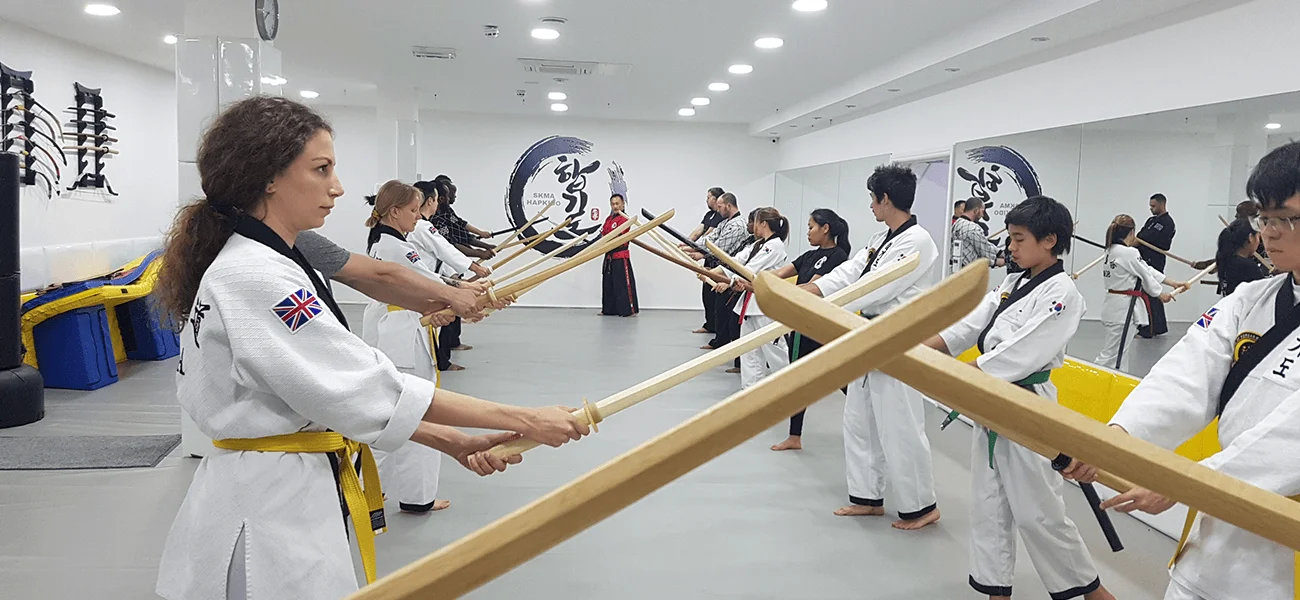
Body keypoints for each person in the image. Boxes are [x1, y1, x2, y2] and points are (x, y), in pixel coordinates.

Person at [152, 96, 588, 600]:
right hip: (266, 507)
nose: (337, 188)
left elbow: (328, 397)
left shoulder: (267, 260)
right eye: (321, 170)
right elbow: (366, 384)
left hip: (274, 488)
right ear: (268, 176)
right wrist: (526, 418)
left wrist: (456, 440)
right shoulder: (257, 275)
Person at [1064, 141, 1300, 600]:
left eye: (1286, 218)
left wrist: (1188, 482)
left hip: (1281, 540)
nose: (1269, 232)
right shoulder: (1251, 301)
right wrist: (1117, 441)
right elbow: (1183, 377)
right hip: (1216, 531)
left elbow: (1291, 436)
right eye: (1264, 218)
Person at [924, 196, 1116, 600]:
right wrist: (923, 349)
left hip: (1028, 405)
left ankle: (1094, 593)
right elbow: (970, 325)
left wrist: (965, 374)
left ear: (1050, 240)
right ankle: (997, 592)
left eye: (1018, 239)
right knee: (988, 504)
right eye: (1010, 239)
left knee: (1038, 512)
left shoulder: (1063, 293)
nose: (1010, 248)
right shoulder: (1013, 283)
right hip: (990, 403)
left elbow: (1025, 349)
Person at [798, 163, 941, 529]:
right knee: (858, 421)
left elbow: (877, 286)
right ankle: (867, 497)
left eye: (872, 199)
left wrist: (823, 303)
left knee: (900, 426)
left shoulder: (918, 241)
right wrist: (807, 291)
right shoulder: (880, 239)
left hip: (898, 341)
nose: (870, 207)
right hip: (867, 336)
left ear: (886, 198)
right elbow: (851, 272)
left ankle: (921, 506)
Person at [361, 181, 457, 514]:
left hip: (397, 330)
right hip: (403, 336)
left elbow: (427, 286)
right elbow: (428, 283)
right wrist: (467, 293)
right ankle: (417, 497)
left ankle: (373, 489)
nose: (418, 218)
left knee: (392, 413)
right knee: (418, 412)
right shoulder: (396, 249)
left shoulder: (382, 242)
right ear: (395, 211)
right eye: (414, 211)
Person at [767, 208, 851, 451]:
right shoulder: (808, 255)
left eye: (811, 226)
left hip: (824, 327)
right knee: (798, 380)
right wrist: (750, 281)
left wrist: (776, 290)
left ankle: (874, 421)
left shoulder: (838, 256)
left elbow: (812, 287)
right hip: (803, 326)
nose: (808, 232)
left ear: (826, 228)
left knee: (842, 379)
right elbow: (779, 274)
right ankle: (795, 436)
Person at [410, 180, 490, 372]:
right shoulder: (421, 226)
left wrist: (456, 279)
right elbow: (444, 249)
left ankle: (440, 361)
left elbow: (437, 255)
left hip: (429, 281)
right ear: (430, 201)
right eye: (437, 199)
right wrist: (474, 268)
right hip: (421, 287)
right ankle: (440, 362)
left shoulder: (421, 226)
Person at [1094, 215, 1188, 371]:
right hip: (1123, 309)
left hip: (1114, 306)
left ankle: (1115, 385)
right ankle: (1092, 382)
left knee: (1118, 355)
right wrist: (1159, 294)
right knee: (1112, 356)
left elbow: (1144, 268)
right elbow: (1144, 275)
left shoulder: (1112, 251)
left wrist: (1172, 283)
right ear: (1132, 232)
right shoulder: (1128, 253)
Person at [718, 207, 790, 389]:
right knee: (749, 352)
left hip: (767, 307)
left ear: (763, 223)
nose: (753, 226)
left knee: (775, 352)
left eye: (755, 222)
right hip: (751, 305)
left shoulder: (774, 246)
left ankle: (789, 388)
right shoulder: (757, 244)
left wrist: (728, 282)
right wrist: (710, 273)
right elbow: (736, 261)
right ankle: (750, 391)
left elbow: (749, 270)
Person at [692, 192, 749, 362]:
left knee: (725, 311)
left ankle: (724, 345)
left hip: (730, 272)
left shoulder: (738, 225)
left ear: (728, 206)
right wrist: (690, 247)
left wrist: (700, 255)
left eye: (720, 206)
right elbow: (709, 240)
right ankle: (720, 341)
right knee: (716, 305)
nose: (717, 210)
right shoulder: (725, 223)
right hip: (722, 270)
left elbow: (719, 247)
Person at [1137, 193, 1176, 337]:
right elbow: (1141, 235)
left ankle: (1150, 329)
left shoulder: (1167, 222)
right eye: (1150, 206)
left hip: (1154, 259)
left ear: (1162, 204)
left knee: (1151, 292)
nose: (1151, 209)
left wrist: (1141, 239)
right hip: (1143, 258)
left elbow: (1152, 238)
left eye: (1153, 206)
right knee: (1148, 292)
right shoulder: (1151, 220)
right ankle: (1157, 327)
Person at [692, 187, 726, 334]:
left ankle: (716, 327)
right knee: (706, 293)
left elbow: (709, 237)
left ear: (716, 199)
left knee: (714, 293)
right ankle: (709, 324)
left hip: (716, 260)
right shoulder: (709, 215)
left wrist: (696, 251)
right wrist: (685, 244)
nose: (707, 200)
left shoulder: (721, 217)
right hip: (707, 257)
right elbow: (698, 232)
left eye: (709, 197)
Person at [599, 193, 639, 317]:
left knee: (622, 285)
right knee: (608, 284)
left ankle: (628, 310)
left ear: (622, 204)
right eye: (613, 204)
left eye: (617, 203)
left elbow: (617, 235)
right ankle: (609, 310)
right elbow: (603, 234)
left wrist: (608, 238)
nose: (615, 206)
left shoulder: (626, 219)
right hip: (609, 256)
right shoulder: (608, 219)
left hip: (620, 256)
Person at [1215, 218, 1269, 296]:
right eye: (1258, 236)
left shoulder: (1225, 260)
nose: (1259, 242)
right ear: (1250, 238)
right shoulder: (1247, 266)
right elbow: (1265, 293)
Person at [951, 198, 1004, 273]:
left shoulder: (957, 223)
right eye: (982, 211)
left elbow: (984, 244)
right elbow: (985, 251)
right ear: (976, 210)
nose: (983, 215)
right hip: (965, 273)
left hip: (955, 271)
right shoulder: (972, 228)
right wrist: (1001, 259)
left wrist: (1000, 252)